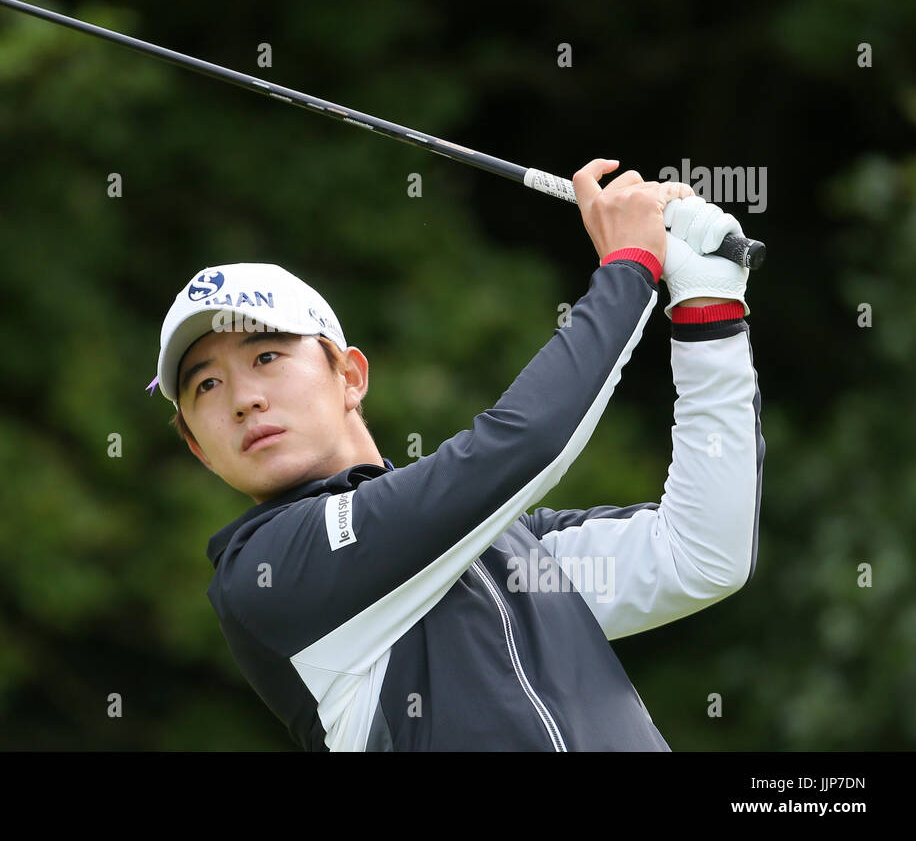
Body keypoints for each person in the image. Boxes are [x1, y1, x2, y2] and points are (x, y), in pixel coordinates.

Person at [146, 159, 764, 750]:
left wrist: (707, 315)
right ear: (198, 448)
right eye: (206, 385)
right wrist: (629, 267)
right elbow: (520, 447)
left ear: (350, 376)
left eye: (265, 357)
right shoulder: (269, 571)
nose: (244, 400)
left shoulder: (505, 548)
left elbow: (700, 555)